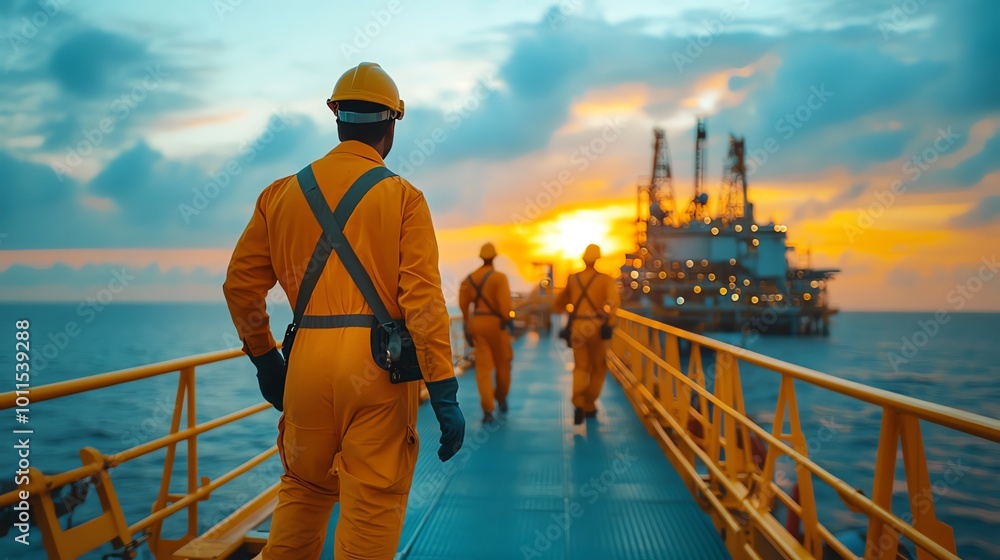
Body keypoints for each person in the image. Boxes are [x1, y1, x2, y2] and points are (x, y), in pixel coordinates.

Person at [223, 62, 465, 559]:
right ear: (391, 124)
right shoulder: (403, 198)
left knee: (303, 493)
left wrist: (267, 360)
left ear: (336, 116)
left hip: (305, 365)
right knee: (371, 507)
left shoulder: (279, 194)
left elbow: (240, 287)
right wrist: (443, 390)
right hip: (378, 371)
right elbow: (422, 302)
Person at [553, 244, 620, 425]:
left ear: (583, 259)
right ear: (597, 259)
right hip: (596, 326)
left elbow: (559, 302)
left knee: (581, 367)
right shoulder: (605, 280)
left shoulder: (573, 278)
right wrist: (610, 324)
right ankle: (590, 404)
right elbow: (613, 303)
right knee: (598, 366)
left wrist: (568, 313)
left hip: (577, 325)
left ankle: (578, 404)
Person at [459, 242, 514, 424]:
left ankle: (488, 409)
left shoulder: (469, 279)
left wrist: (467, 324)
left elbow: (463, 305)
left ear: (481, 257)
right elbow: (505, 305)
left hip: (478, 323)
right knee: (503, 363)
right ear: (495, 257)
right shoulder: (499, 278)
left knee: (483, 368)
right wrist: (508, 320)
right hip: (496, 325)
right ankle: (501, 398)